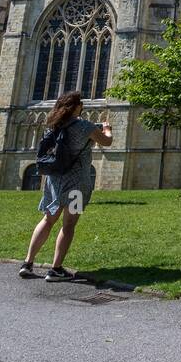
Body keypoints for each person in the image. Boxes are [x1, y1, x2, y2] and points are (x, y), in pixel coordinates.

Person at [18, 91, 113, 281]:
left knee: (47, 220)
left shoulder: (54, 125)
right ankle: (56, 269)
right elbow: (107, 142)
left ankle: (27, 263)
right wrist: (107, 128)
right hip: (77, 184)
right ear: (76, 107)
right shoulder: (84, 126)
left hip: (54, 181)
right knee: (69, 225)